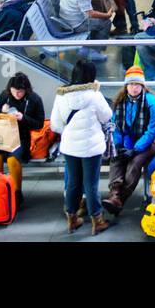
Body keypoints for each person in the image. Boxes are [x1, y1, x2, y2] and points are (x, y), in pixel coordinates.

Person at [51, 59, 114, 235]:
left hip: (70, 147)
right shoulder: (95, 95)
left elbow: (55, 125)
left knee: (73, 183)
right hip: (92, 147)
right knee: (91, 185)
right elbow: (107, 116)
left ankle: (72, 219)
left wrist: (70, 131)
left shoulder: (61, 96)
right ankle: (97, 221)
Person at [103, 65, 155, 216]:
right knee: (116, 157)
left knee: (135, 161)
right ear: (126, 86)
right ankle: (115, 194)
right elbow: (116, 127)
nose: (134, 87)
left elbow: (152, 130)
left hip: (153, 140)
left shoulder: (151, 101)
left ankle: (120, 199)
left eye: (137, 84)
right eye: (131, 84)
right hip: (130, 138)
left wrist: (135, 149)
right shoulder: (120, 102)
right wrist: (118, 145)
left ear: (142, 85)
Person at [0, 72, 45, 207]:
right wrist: (1, 111)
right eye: (14, 91)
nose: (17, 95)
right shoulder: (5, 96)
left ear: (26, 90)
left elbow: (39, 124)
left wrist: (23, 118)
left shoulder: (34, 99)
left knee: (13, 159)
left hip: (21, 137)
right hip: (2, 135)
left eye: (20, 92)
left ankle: (16, 193)